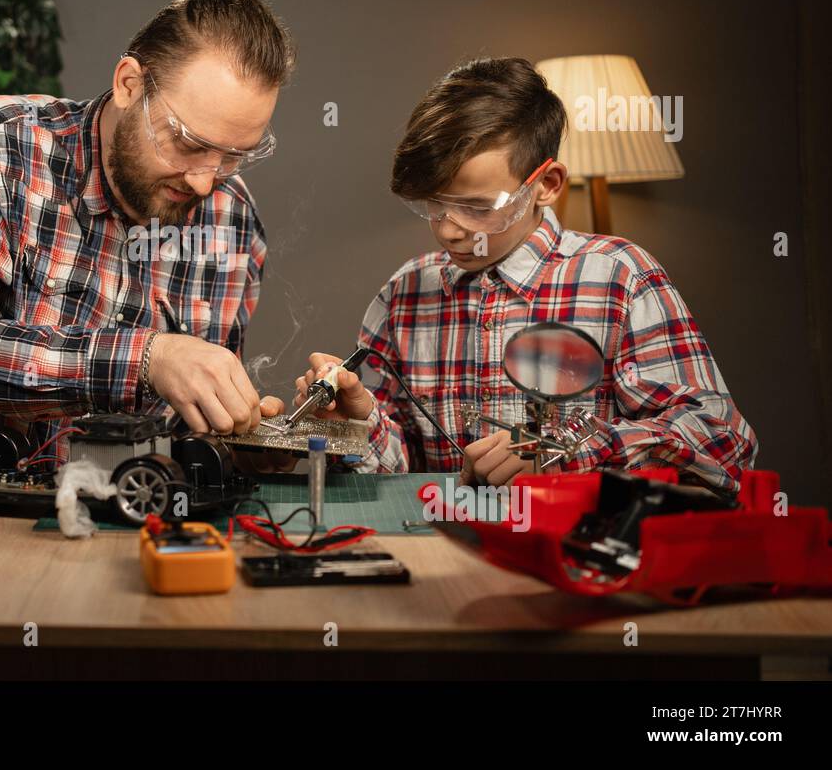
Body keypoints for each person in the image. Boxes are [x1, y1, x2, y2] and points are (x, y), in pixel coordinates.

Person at [293, 57, 757, 493]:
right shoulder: (405, 295)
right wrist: (359, 420)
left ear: (546, 185)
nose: (449, 231)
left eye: (477, 208)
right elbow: (399, 468)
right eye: (433, 205)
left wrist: (561, 455)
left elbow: (723, 443)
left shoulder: (620, 278)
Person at [0, 0, 294, 464]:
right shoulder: (2, 146)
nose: (206, 183)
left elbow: (190, 436)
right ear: (129, 84)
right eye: (188, 144)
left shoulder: (233, 219)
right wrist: (145, 358)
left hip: (140, 515)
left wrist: (248, 439)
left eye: (232, 157)